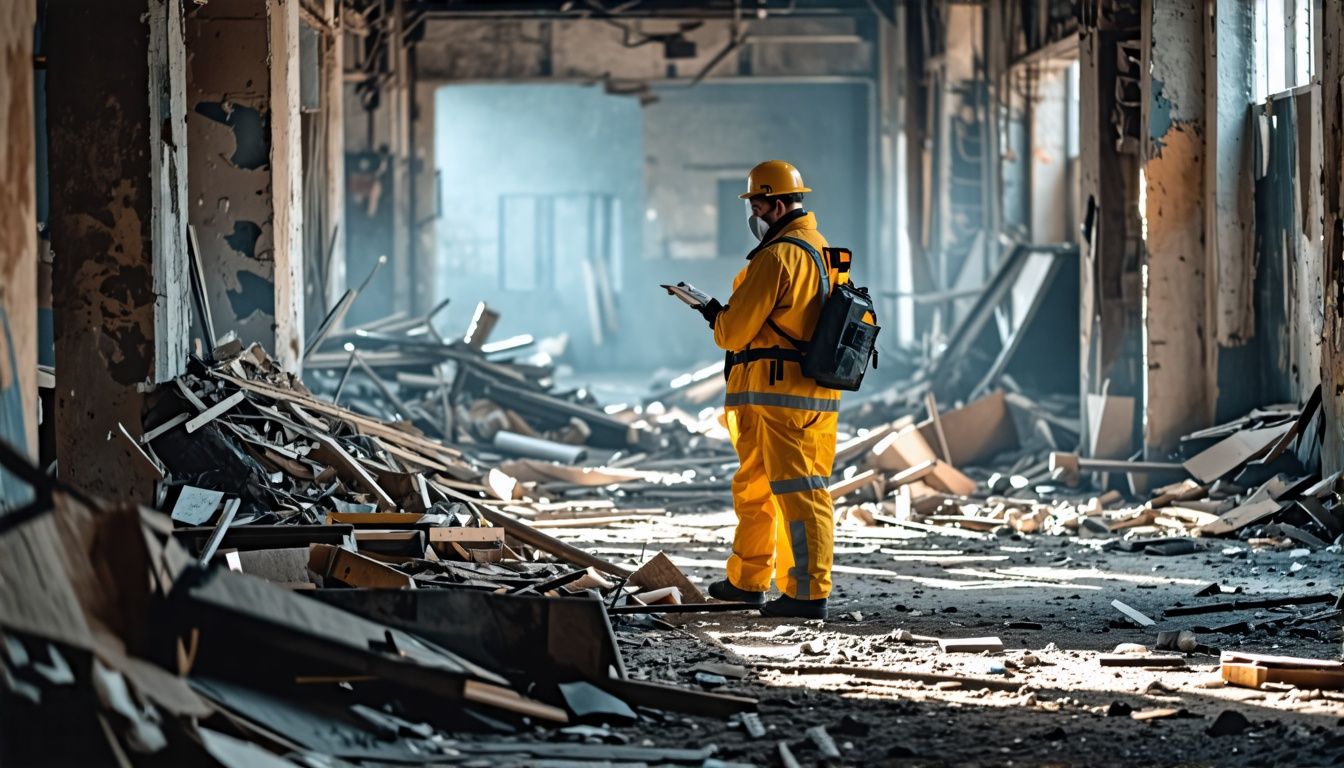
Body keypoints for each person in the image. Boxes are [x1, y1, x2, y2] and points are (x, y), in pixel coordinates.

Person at [696, 160, 841, 620]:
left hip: (776, 396)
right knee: (758, 489)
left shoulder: (776, 257)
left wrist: (715, 314)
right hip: (806, 392)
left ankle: (806, 593)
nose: (753, 214)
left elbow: (733, 333)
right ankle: (748, 581)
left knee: (799, 493)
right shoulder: (819, 248)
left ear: (776, 205)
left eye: (756, 205)